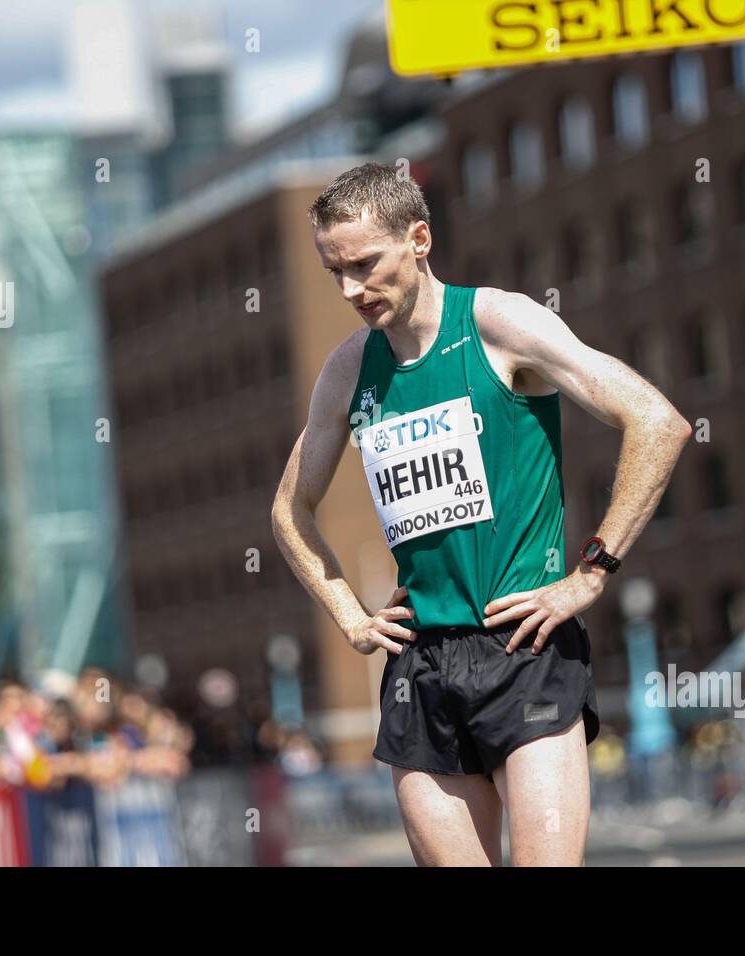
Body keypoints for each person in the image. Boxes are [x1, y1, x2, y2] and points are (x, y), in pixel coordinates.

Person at [271, 162, 690, 866]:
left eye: (366, 265)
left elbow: (656, 420)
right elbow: (290, 510)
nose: (350, 290)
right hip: (422, 663)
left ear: (420, 239)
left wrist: (593, 571)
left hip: (522, 647)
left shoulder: (499, 322)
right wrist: (347, 611)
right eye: (333, 271)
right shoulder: (350, 369)